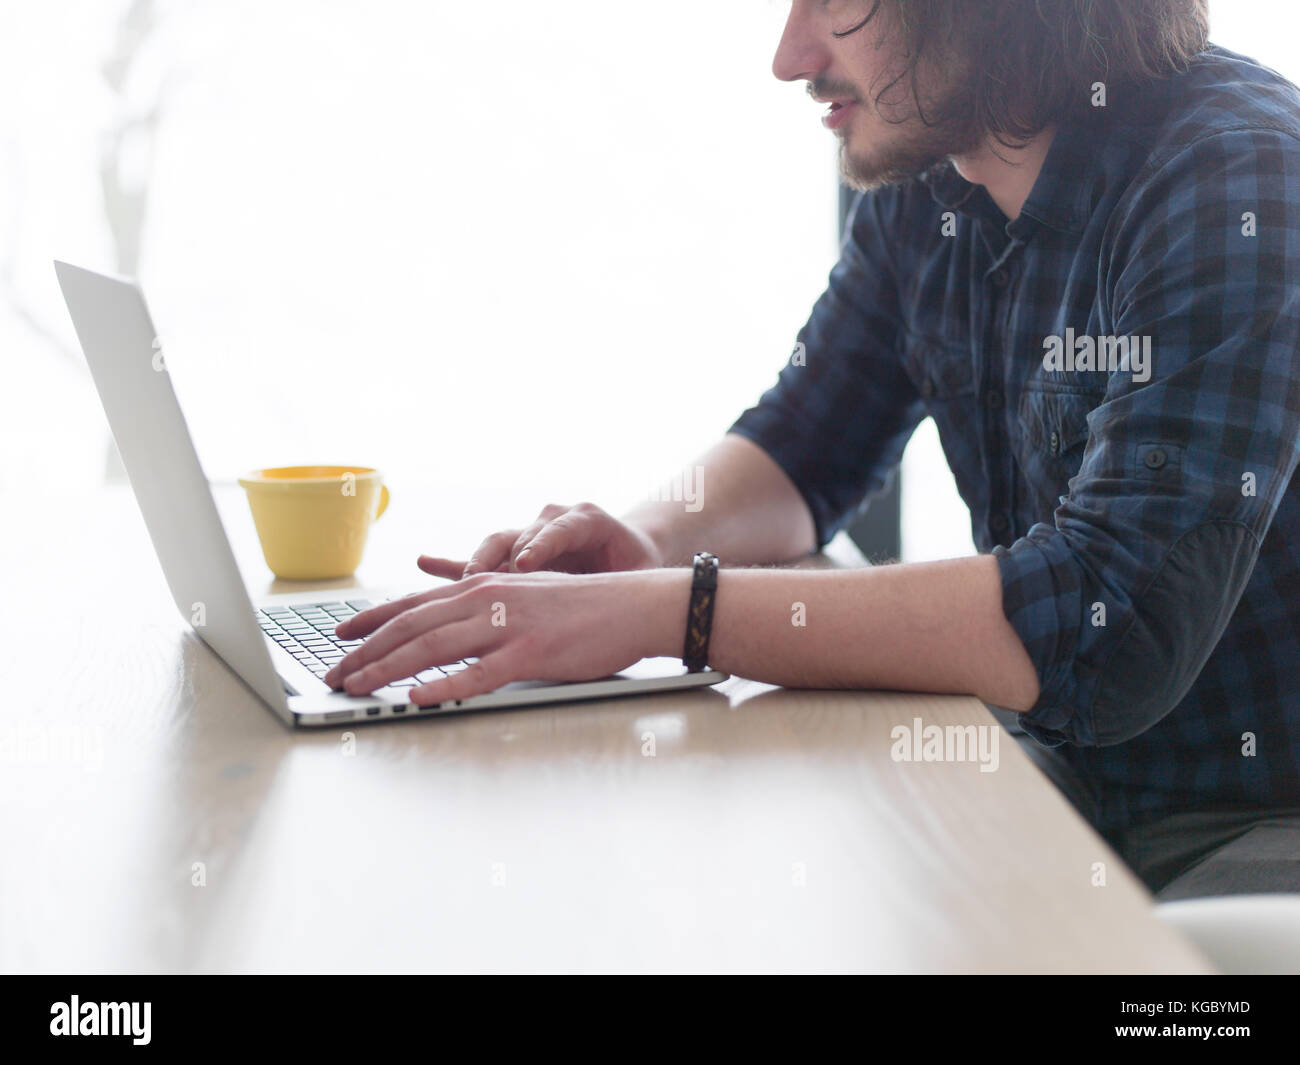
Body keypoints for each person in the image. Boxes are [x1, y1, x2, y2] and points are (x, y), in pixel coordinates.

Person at [326, 0, 1300, 900]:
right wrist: (639, 539)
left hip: (1244, 824)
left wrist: (671, 611)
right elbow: (806, 442)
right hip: (1062, 775)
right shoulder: (938, 168)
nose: (787, 57)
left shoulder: (1239, 171)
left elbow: (1109, 629)